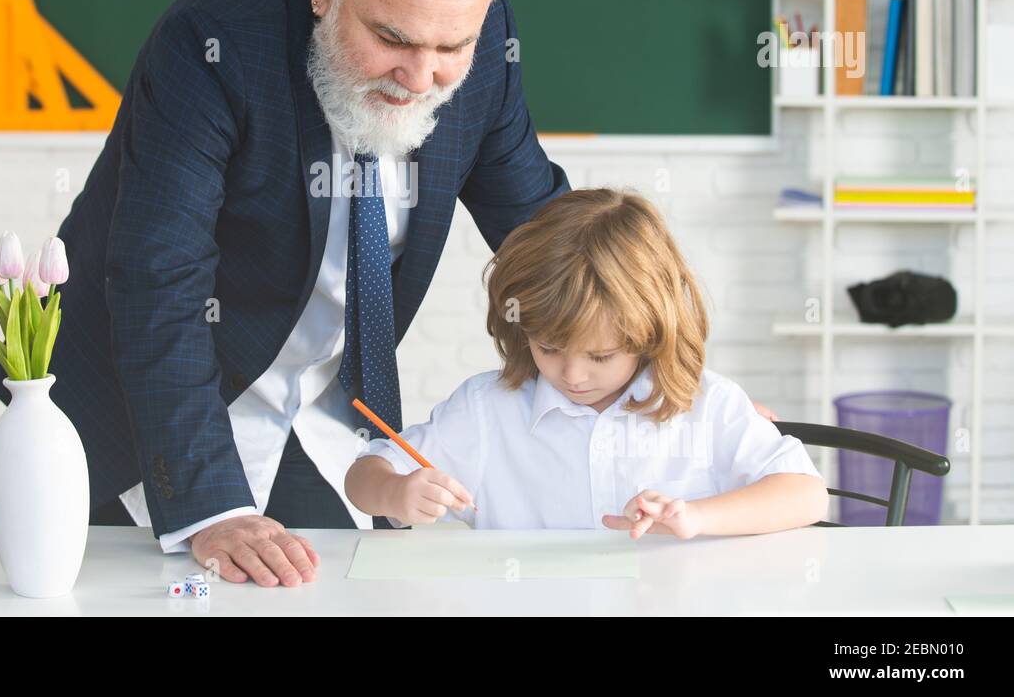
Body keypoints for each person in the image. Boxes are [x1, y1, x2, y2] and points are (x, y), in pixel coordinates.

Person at [345, 188, 828, 539]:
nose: (572, 376)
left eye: (601, 356)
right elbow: (363, 476)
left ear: (651, 333)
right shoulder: (486, 409)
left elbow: (806, 494)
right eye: (549, 348)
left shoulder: (706, 405)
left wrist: (698, 517)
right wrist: (397, 494)